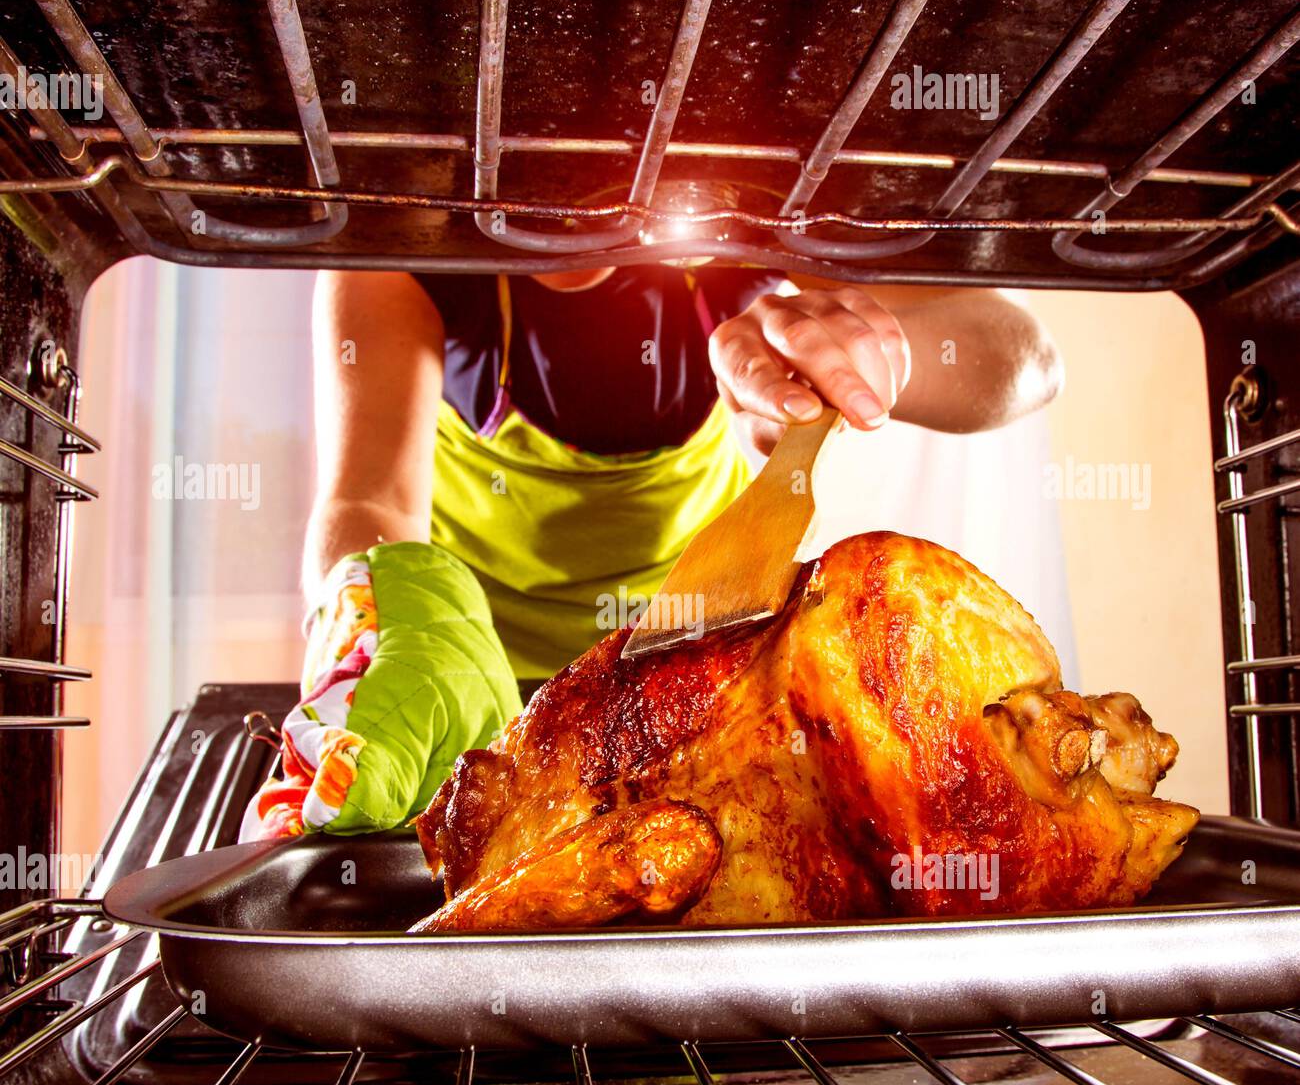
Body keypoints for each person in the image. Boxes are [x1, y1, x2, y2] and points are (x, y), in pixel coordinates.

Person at [241, 264, 1062, 839]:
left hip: (694, 684)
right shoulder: (406, 250)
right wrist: (385, 634)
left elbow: (1026, 357)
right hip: (473, 697)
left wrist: (893, 355)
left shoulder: (742, 233)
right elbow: (365, 498)